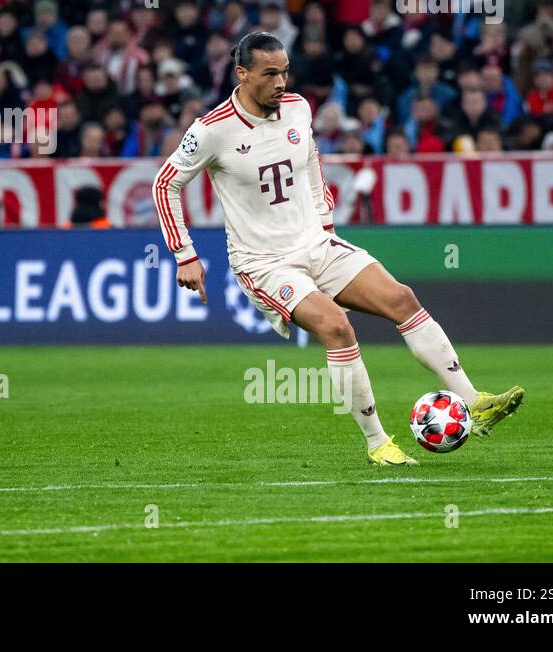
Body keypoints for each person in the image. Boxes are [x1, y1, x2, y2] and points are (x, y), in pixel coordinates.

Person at [153, 31, 524, 466]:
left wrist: (324, 224)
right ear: (242, 74)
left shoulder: (297, 108)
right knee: (337, 328)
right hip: (265, 263)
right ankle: (377, 443)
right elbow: (166, 183)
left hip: (317, 244)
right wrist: (185, 255)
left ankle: (474, 401)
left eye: (285, 72)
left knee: (402, 298)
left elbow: (310, 163)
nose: (281, 82)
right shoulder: (211, 131)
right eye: (270, 74)